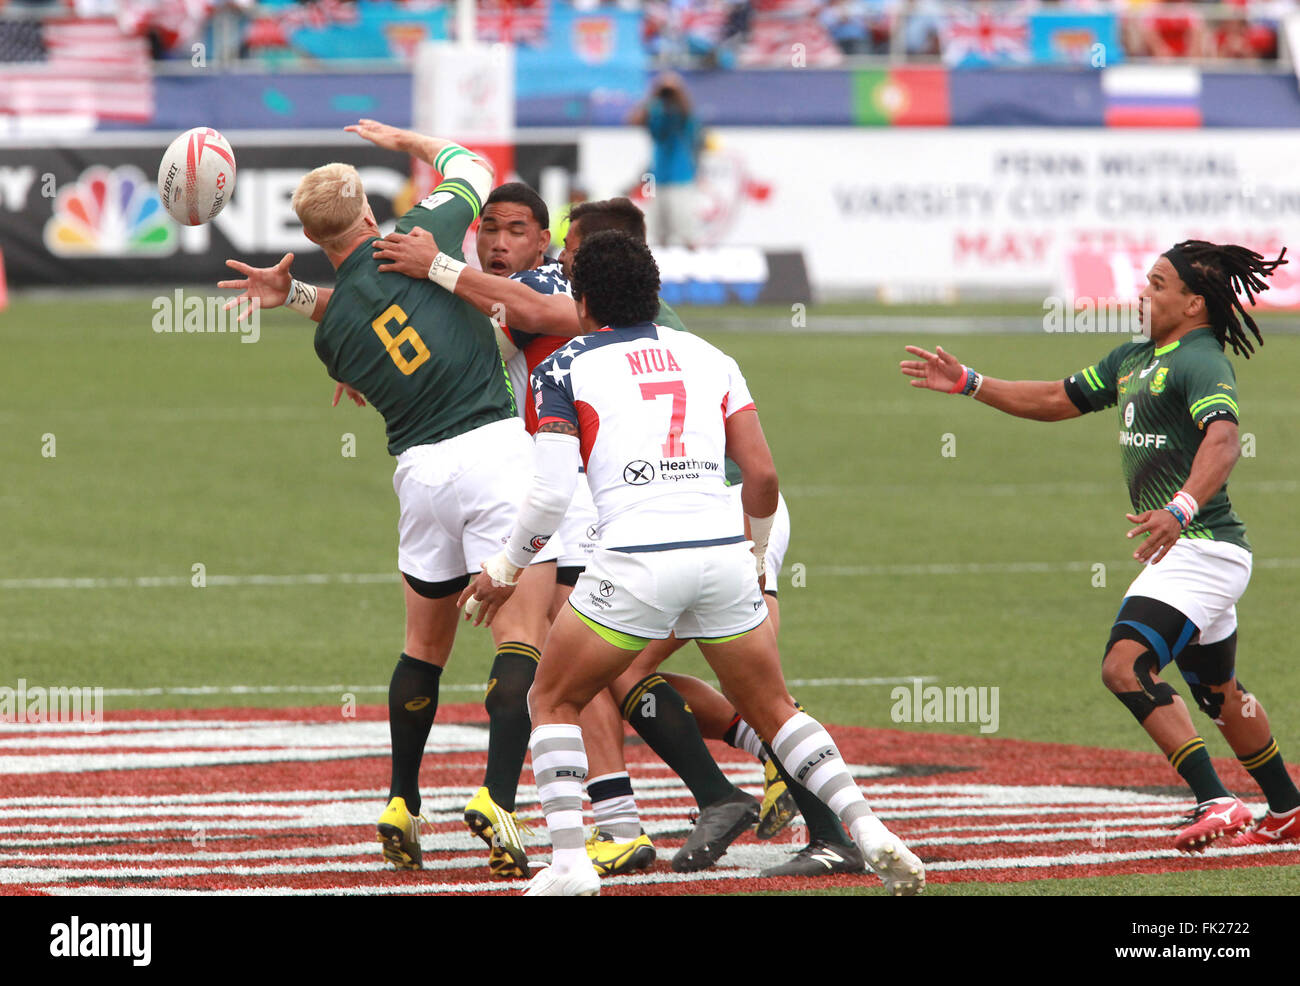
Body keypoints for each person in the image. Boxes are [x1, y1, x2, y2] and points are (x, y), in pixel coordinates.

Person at [462, 229, 925, 896]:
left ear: (581, 299)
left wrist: (504, 568)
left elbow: (551, 493)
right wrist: (757, 557)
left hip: (635, 561)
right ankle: (870, 829)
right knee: (773, 710)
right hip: (724, 553)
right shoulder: (711, 356)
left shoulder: (563, 366)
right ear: (655, 293)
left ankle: (569, 864)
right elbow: (761, 475)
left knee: (553, 696)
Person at [218, 120, 552, 880]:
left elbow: (364, 314)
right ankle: (498, 798)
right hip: (494, 450)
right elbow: (470, 164)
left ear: (310, 235)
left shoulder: (330, 340)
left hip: (418, 480)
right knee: (522, 634)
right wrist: (412, 140)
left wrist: (294, 292)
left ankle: (402, 800)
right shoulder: (420, 232)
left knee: (422, 648)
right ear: (369, 217)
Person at [900, 240, 1300, 851]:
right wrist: (969, 383)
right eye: (1146, 280)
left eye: (1159, 284)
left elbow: (1223, 441)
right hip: (1198, 549)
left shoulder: (1202, 361)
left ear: (1195, 303)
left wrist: (1179, 508)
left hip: (1199, 545)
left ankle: (1214, 799)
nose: (1144, 292)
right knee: (1219, 693)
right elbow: (1057, 399)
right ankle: (1289, 808)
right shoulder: (1134, 357)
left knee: (1124, 665)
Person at [628, 72, 701, 249]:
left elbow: (688, 110)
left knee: (686, 227)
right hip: (656, 176)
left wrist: (676, 89)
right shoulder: (657, 112)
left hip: (681, 177)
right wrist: (654, 93)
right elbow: (633, 120)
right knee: (657, 230)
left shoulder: (683, 115)